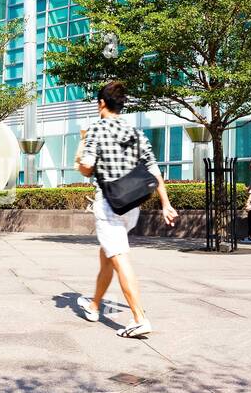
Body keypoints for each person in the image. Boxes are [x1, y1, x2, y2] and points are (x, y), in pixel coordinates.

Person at [74, 81, 178, 339]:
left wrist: (84, 148)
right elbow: (154, 170)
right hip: (132, 205)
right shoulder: (135, 132)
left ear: (101, 104)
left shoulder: (97, 129)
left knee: (119, 258)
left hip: (109, 203)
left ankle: (139, 318)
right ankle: (95, 305)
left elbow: (86, 167)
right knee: (107, 255)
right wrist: (166, 203)